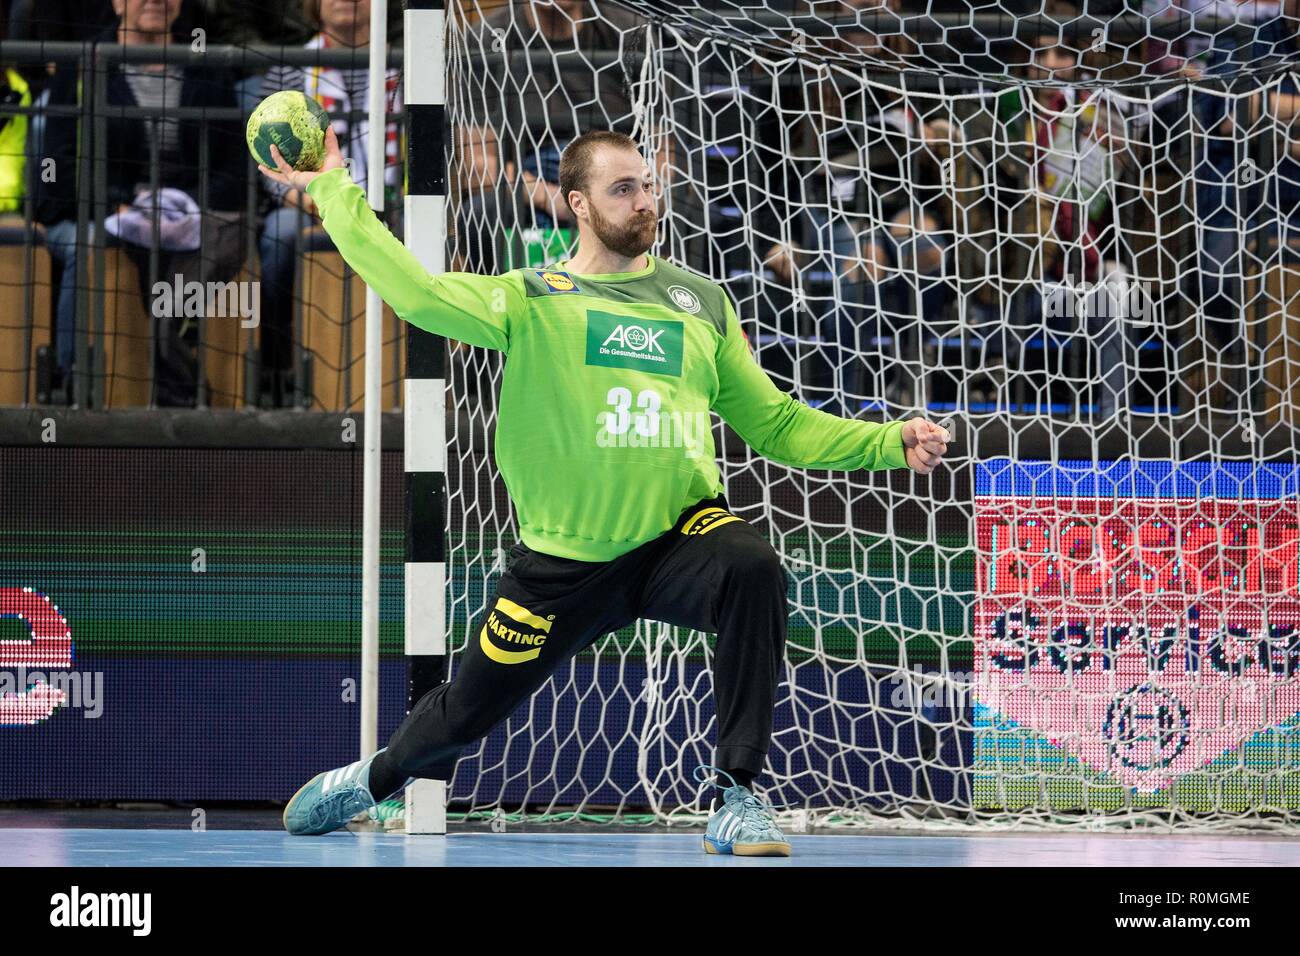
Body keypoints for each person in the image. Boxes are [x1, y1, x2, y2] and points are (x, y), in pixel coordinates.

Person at [260, 126, 952, 856]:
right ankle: (373, 778)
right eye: (623, 189)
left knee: (751, 566)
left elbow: (777, 424)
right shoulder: (532, 297)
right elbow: (417, 294)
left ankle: (737, 794)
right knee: (461, 717)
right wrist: (333, 188)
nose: (644, 200)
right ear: (578, 205)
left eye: (647, 185)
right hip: (563, 567)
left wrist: (887, 442)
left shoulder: (701, 301)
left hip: (676, 538)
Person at [34, 0, 246, 406]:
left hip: (188, 211)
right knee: (92, 242)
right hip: (101, 209)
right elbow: (56, 167)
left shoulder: (206, 63)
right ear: (116, 2)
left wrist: (187, 207)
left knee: (235, 230)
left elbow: (234, 165)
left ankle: (174, 362)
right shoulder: (84, 65)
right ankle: (75, 385)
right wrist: (118, 206)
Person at [254, 0, 403, 402]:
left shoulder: (407, 65)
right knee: (280, 237)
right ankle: (278, 369)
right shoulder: (289, 68)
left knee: (428, 237)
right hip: (306, 205)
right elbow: (264, 162)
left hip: (395, 204)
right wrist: (308, 199)